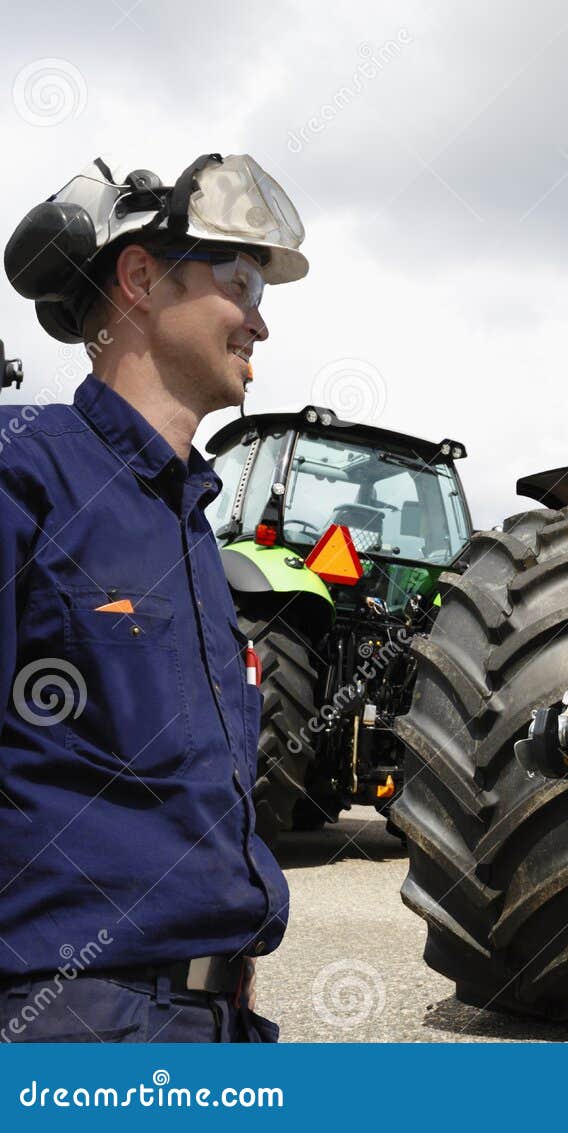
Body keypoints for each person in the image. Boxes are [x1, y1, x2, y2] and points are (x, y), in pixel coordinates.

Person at [0, 154, 308, 1042]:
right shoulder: (28, 474)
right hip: (75, 1019)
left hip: (211, 1014)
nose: (258, 320)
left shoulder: (195, 533)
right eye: (241, 281)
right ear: (140, 278)